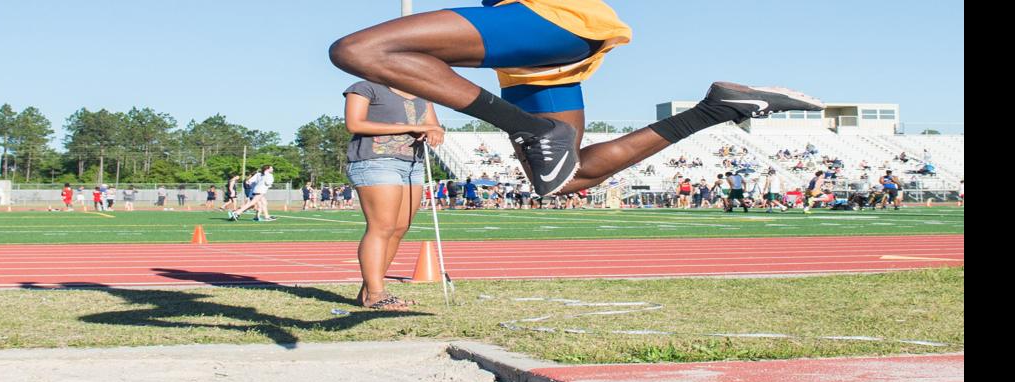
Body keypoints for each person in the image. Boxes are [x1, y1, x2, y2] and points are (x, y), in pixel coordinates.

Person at [329, 0, 823, 200]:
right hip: (525, 48)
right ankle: (717, 109)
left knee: (359, 49)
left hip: (549, 18)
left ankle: (528, 126)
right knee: (562, 179)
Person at [343, 80, 442, 310]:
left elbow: (433, 126)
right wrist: (406, 128)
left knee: (399, 228)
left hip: (412, 164)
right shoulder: (364, 87)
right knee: (382, 227)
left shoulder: (423, 92)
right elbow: (354, 123)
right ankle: (376, 293)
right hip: (376, 162)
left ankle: (368, 291)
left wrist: (434, 133)